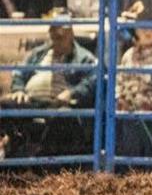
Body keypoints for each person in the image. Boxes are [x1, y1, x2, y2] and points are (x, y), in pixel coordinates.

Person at [0, 12, 97, 160]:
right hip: (31, 101)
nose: (55, 41)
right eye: (52, 36)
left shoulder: (84, 58)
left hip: (58, 103)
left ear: (70, 34)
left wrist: (72, 93)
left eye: (59, 37)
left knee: (63, 116)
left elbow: (92, 80)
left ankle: (40, 159)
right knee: (4, 104)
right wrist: (18, 89)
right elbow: (20, 71)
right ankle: (10, 148)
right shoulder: (38, 53)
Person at [115, 26, 152, 162]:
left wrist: (150, 101)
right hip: (130, 112)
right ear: (135, 30)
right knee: (130, 150)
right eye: (143, 28)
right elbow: (120, 79)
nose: (149, 31)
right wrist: (121, 97)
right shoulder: (128, 54)